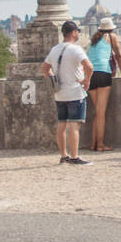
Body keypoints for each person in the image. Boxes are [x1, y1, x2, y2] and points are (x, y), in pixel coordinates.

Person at [41, 21, 93, 165]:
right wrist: (86, 81)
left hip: (60, 92)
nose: (78, 34)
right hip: (75, 92)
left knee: (61, 125)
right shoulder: (76, 49)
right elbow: (89, 67)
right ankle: (75, 156)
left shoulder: (55, 49)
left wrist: (53, 80)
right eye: (77, 31)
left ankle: (64, 155)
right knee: (74, 126)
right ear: (73, 33)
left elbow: (44, 69)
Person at [86, 17, 121, 151]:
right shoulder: (111, 36)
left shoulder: (93, 40)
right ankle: (101, 145)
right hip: (103, 73)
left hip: (91, 76)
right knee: (101, 113)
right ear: (111, 28)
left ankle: (93, 144)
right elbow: (119, 56)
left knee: (97, 112)